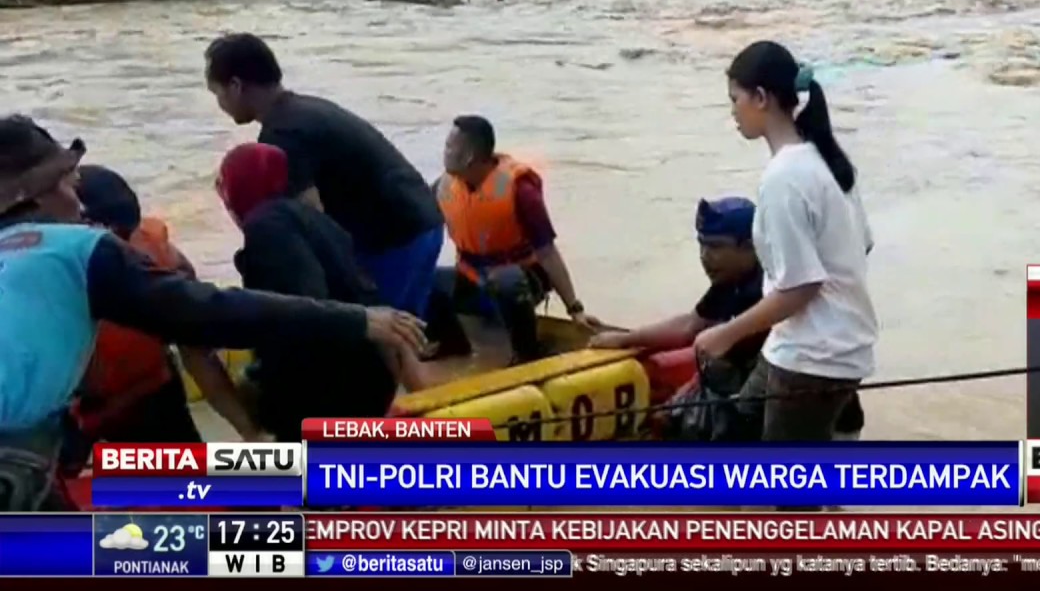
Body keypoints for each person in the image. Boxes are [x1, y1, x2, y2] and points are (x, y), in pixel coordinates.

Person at [0, 115, 428, 511]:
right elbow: (210, 312)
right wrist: (357, 320)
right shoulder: (77, 250)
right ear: (42, 191)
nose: (78, 199)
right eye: (70, 183)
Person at [692, 41, 877, 454]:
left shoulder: (784, 177)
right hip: (832, 346)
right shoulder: (828, 160)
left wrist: (726, 332)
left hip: (812, 358)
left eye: (735, 99)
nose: (733, 112)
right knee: (740, 424)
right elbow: (860, 246)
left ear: (761, 98)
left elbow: (801, 286)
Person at [204, 33, 447, 325]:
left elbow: (311, 220)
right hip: (418, 217)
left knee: (384, 333)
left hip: (396, 238)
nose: (220, 103)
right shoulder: (304, 108)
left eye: (217, 93)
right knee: (400, 318)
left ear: (235, 86)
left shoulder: (283, 136)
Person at [60, 165, 261, 473]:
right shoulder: (30, 277)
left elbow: (197, 354)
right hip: (56, 412)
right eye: (111, 244)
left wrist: (251, 432)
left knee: (196, 483)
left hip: (146, 395)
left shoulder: (161, 263)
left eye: (127, 239)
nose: (121, 257)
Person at [215, 142, 422, 441]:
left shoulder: (266, 228)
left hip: (325, 393)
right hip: (371, 380)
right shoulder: (315, 219)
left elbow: (305, 305)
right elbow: (366, 296)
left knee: (249, 384)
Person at [590, 197, 767, 440]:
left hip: (763, 391)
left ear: (749, 246)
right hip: (731, 384)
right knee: (666, 419)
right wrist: (626, 339)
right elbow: (690, 326)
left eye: (716, 247)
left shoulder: (772, 288)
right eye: (702, 246)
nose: (705, 256)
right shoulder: (729, 281)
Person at [430, 115, 591, 364]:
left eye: (451, 147)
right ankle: (452, 342)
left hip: (521, 282)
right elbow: (413, 227)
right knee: (422, 278)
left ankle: (527, 352)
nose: (445, 153)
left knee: (506, 279)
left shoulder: (520, 190)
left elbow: (548, 253)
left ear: (470, 155)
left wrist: (575, 309)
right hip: (472, 280)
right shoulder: (444, 187)